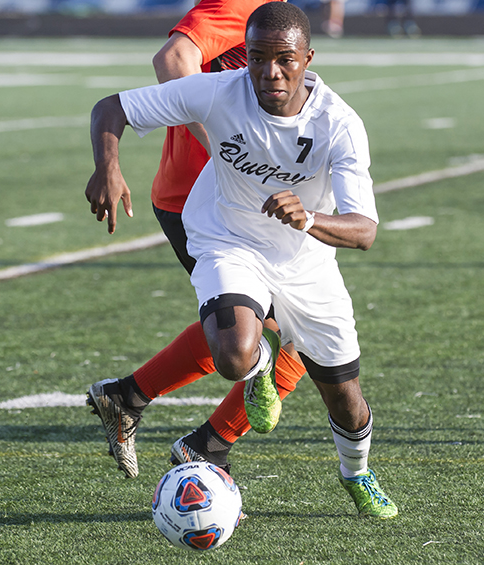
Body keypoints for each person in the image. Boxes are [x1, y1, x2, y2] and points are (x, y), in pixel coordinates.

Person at [85, 1, 398, 518]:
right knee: (233, 353)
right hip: (226, 237)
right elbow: (110, 107)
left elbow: (364, 231)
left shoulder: (338, 124)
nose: (269, 72)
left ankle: (357, 473)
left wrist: (310, 220)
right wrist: (109, 167)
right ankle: (253, 376)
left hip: (305, 261)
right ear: (244, 57)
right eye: (256, 58)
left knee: (345, 398)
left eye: (284, 59)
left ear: (308, 58)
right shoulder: (219, 91)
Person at [85, 0, 308, 481]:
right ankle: (205, 446)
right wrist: (226, 151)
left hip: (236, 198)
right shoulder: (243, 2)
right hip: (206, 200)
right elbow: (172, 59)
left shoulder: (279, 13)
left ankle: (130, 399)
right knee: (298, 334)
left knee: (256, 326)